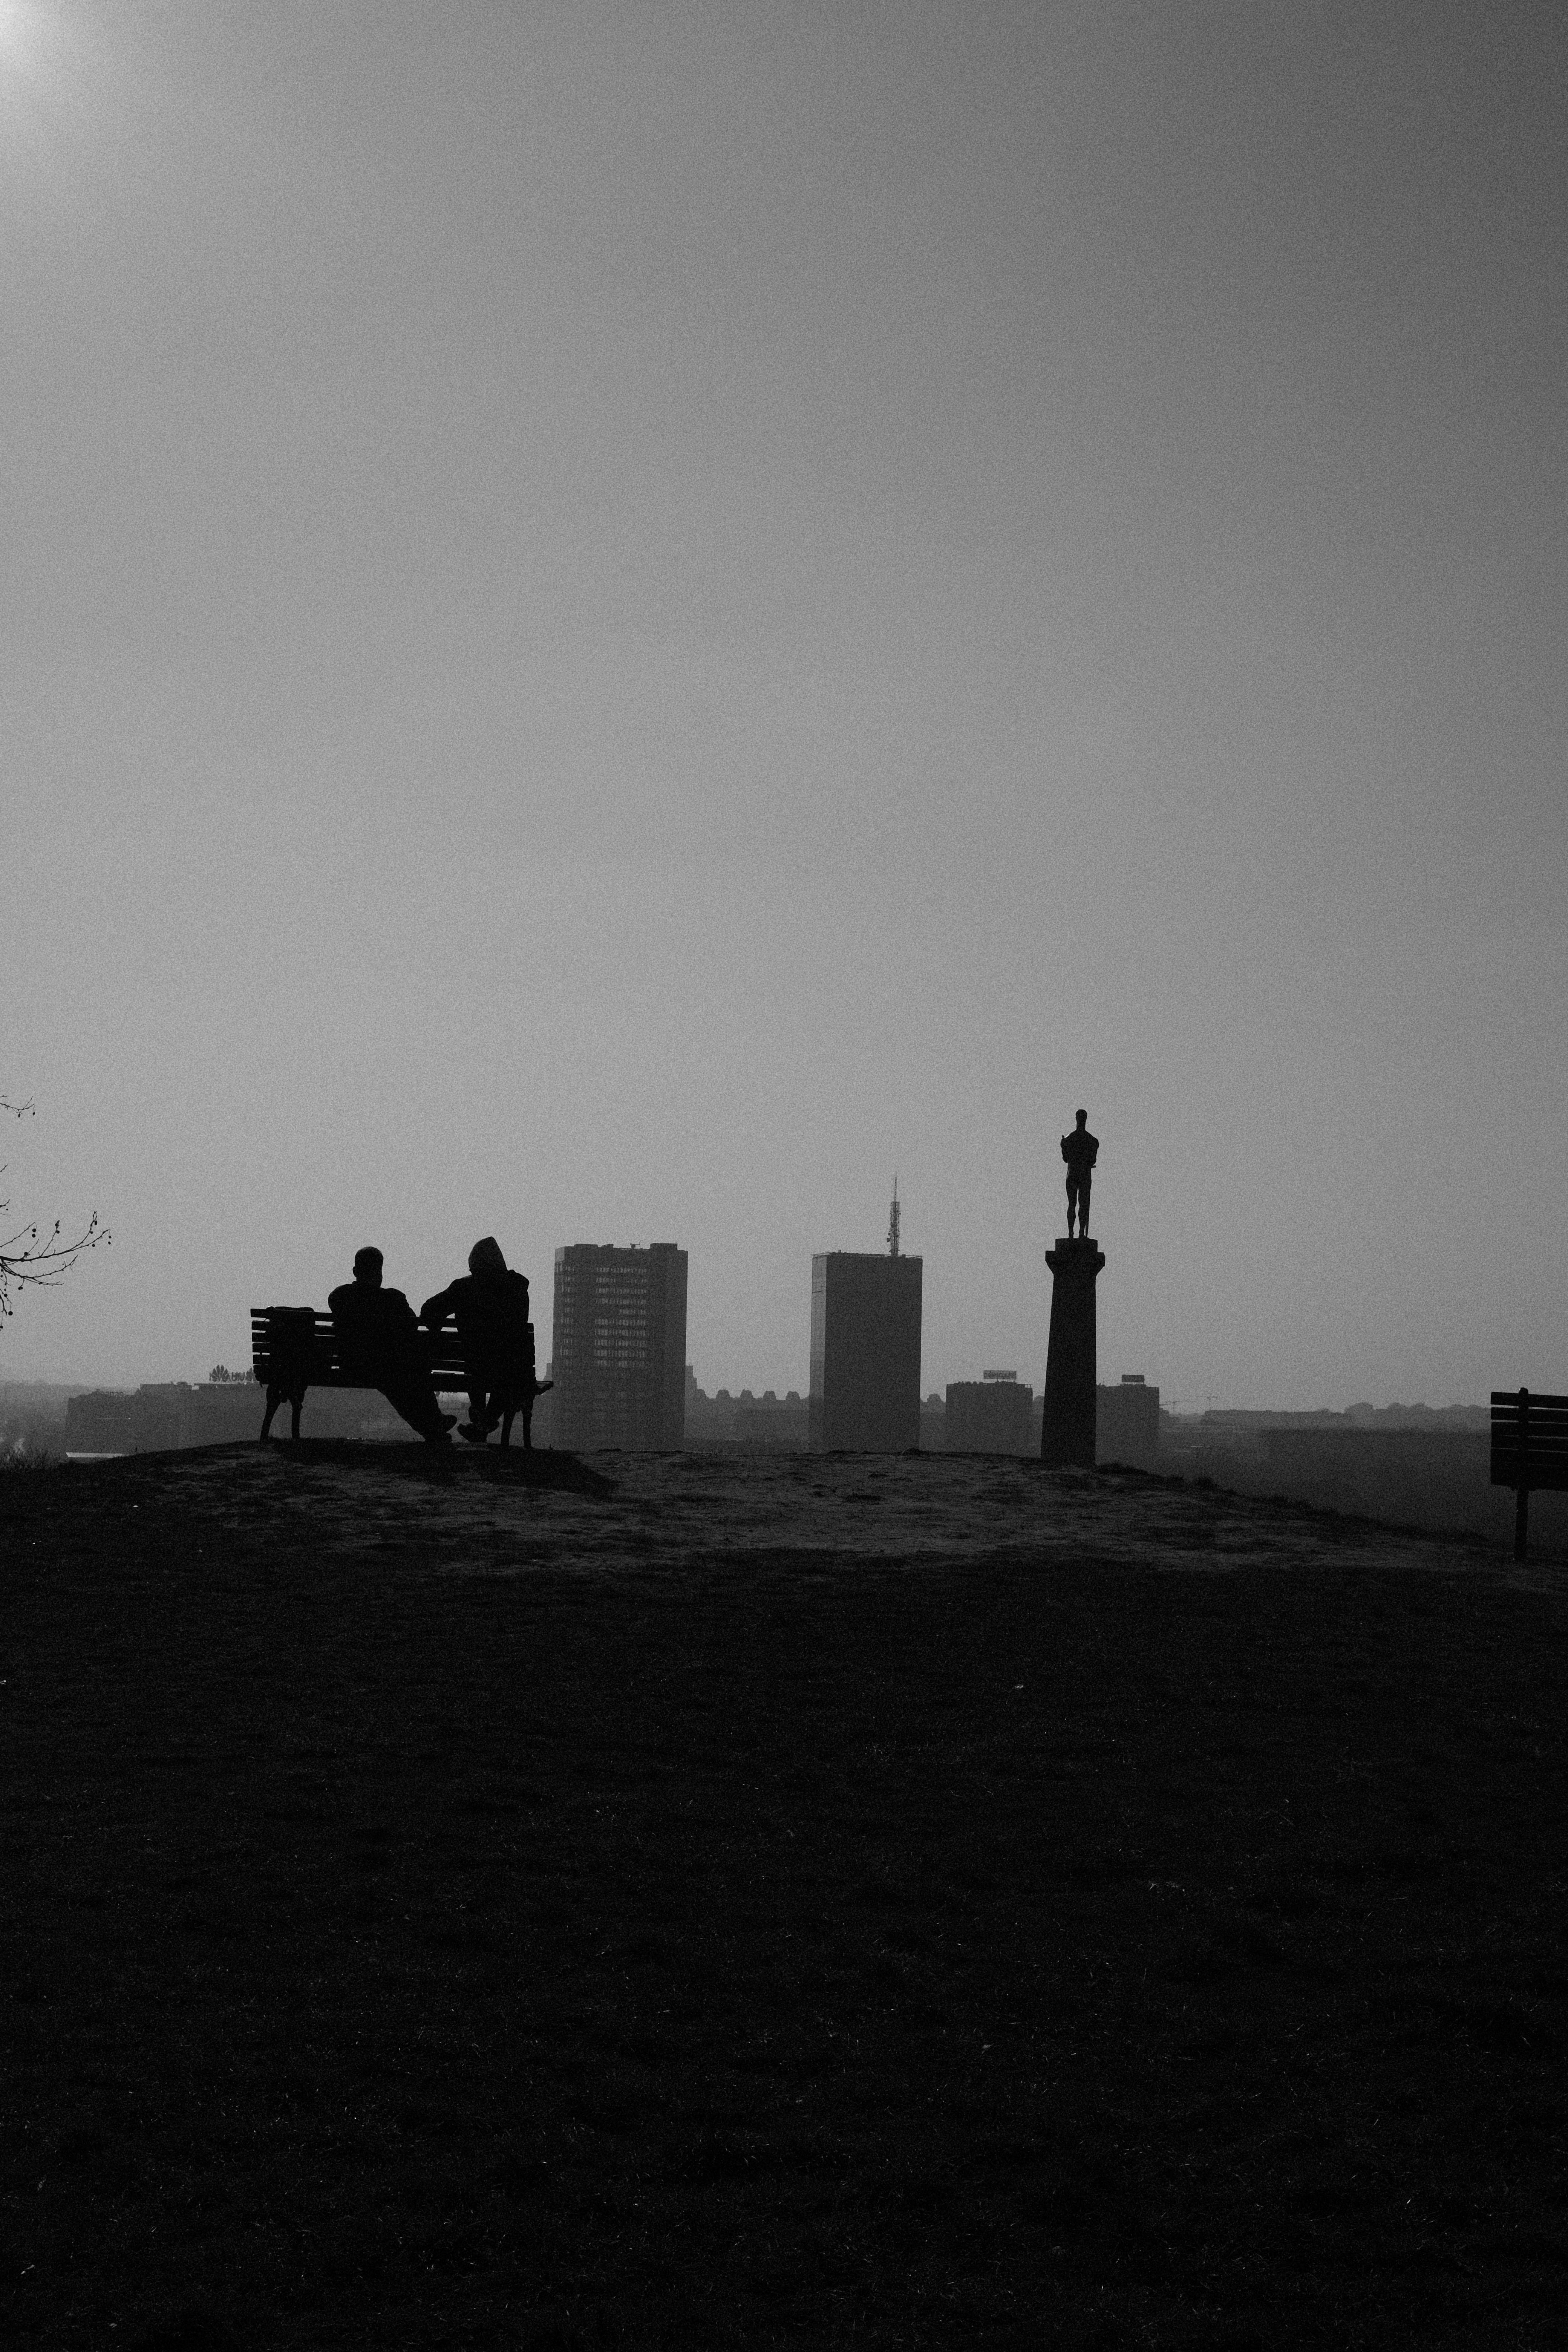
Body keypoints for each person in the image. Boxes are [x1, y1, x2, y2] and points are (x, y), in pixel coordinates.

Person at [328, 1246, 455, 1444]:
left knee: (400, 1382)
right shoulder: (394, 1298)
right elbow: (412, 1326)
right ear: (380, 1271)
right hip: (389, 1365)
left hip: (355, 1364)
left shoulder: (340, 1296)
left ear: (355, 1272)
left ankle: (434, 1428)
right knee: (406, 1376)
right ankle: (434, 1424)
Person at [420, 1236, 537, 1448]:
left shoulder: (463, 1288)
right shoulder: (518, 1287)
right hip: (513, 1368)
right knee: (505, 1367)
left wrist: (436, 1327)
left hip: (476, 1365)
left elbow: (429, 1311)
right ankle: (484, 1422)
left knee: (479, 1363)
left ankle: (482, 1420)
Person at [1061, 1108, 1099, 1239]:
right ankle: (1080, 1233)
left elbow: (1065, 1158)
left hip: (1072, 1173)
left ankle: (1072, 1233)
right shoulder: (1092, 1141)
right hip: (1084, 1175)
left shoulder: (1069, 1139)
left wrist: (1064, 1147)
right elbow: (1093, 1160)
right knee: (1082, 1204)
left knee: (1073, 1204)